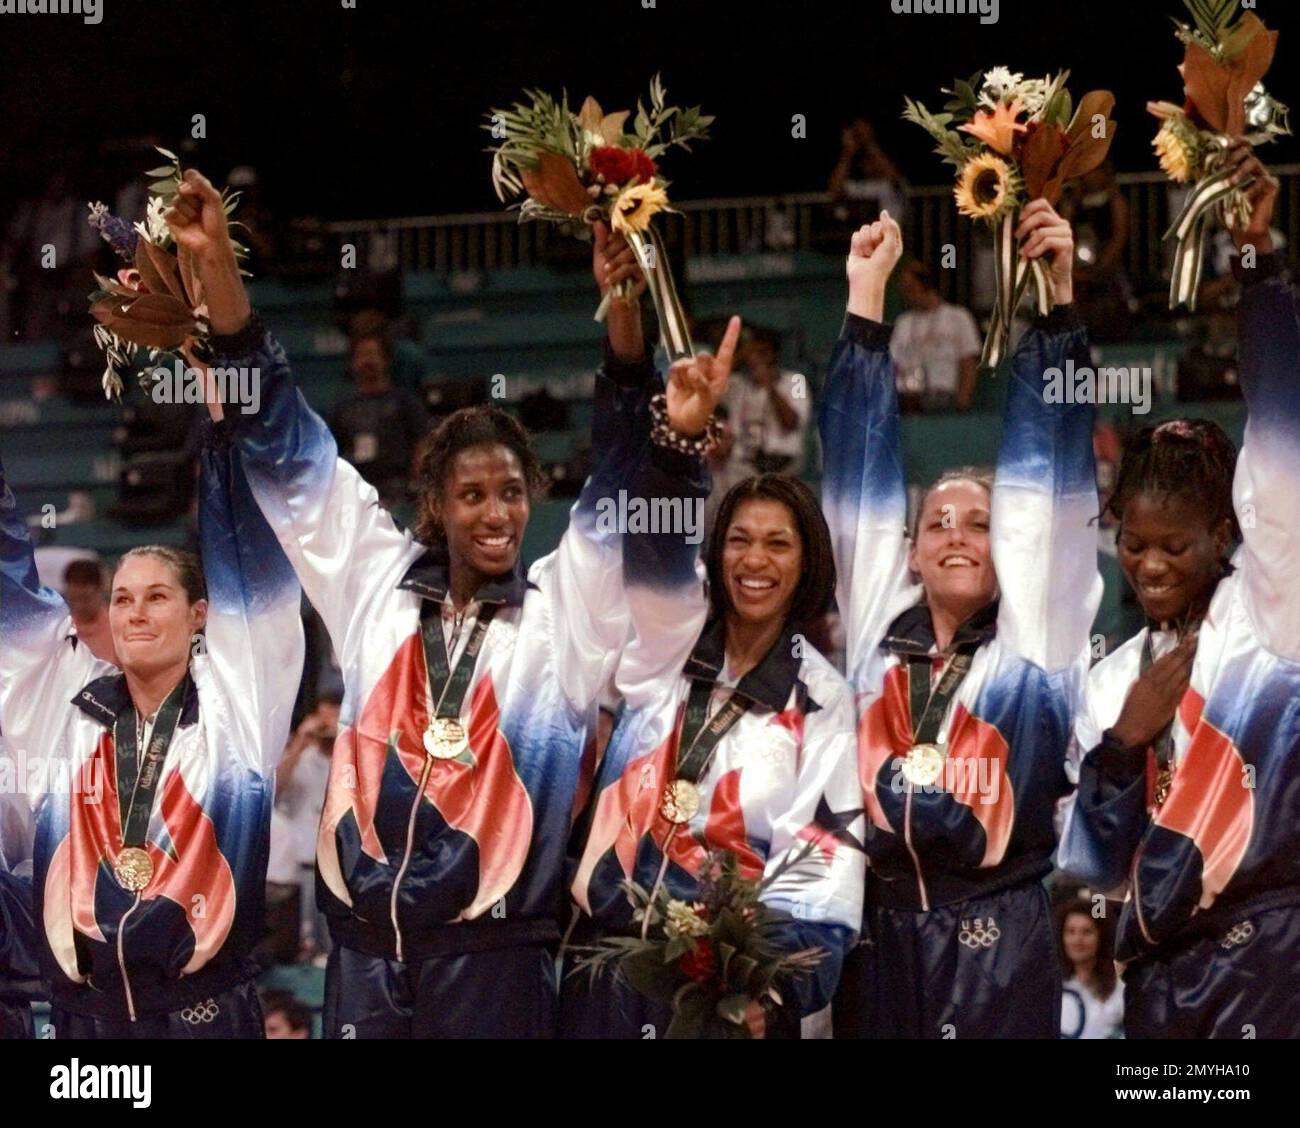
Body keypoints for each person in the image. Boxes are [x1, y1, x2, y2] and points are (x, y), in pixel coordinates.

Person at [167, 167, 719, 1037]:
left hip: (494, 965)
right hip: (363, 955)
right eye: (472, 495)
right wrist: (220, 276)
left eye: (510, 492)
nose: (496, 513)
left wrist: (625, 328)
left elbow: (619, 475)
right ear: (437, 504)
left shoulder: (560, 617)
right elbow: (287, 441)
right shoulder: (376, 588)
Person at [822, 204, 1101, 1038]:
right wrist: (865, 303)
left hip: (997, 929)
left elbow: (1054, 470)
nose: (954, 534)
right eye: (936, 522)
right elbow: (856, 480)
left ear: (1008, 546)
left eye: (979, 523)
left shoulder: (1037, 640)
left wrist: (1057, 302)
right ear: (908, 554)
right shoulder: (877, 636)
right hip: (877, 933)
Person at [1061, 145, 1300, 1038]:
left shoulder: (1269, 618)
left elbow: (1281, 456)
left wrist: (1259, 260)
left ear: (1227, 539)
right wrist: (1123, 745)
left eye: (1175, 546)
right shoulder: (1110, 677)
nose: (1150, 564)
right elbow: (1086, 864)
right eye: (1133, 544)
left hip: (1269, 962)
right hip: (1155, 984)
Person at [563, 371, 865, 1038]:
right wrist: (680, 443)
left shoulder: (821, 701)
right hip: (609, 969)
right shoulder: (664, 648)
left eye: (778, 543)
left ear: (806, 562)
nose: (755, 560)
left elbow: (823, 860)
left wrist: (772, 990)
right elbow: (654, 547)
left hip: (724, 996)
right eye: (739, 539)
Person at [0, 399, 304, 1037]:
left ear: (199, 615)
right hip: (86, 1018)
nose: (135, 613)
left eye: (158, 596)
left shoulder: (236, 710)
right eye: (122, 599)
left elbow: (252, 569)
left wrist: (225, 432)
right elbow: (13, 597)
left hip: (203, 1013)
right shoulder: (66, 705)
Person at [330, 323, 428, 508]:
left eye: (372, 355)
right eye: (361, 355)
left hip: (398, 492)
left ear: (386, 360)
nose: (367, 362)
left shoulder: (405, 402)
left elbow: (421, 447)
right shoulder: (342, 407)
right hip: (354, 493)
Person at [891, 260, 982, 413]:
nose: (907, 295)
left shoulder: (958, 317)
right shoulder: (903, 322)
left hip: (944, 395)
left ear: (926, 286)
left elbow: (969, 361)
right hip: (908, 396)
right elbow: (893, 361)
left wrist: (963, 400)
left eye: (911, 288)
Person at [1058, 897, 1123, 1039]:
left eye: (1087, 932)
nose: (1077, 940)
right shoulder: (1052, 987)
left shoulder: (1121, 988)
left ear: (1101, 937)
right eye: (1070, 931)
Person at [62, 558, 118, 665]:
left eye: (85, 583)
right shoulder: (60, 632)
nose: (79, 590)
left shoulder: (118, 627)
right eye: (74, 584)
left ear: (100, 588)